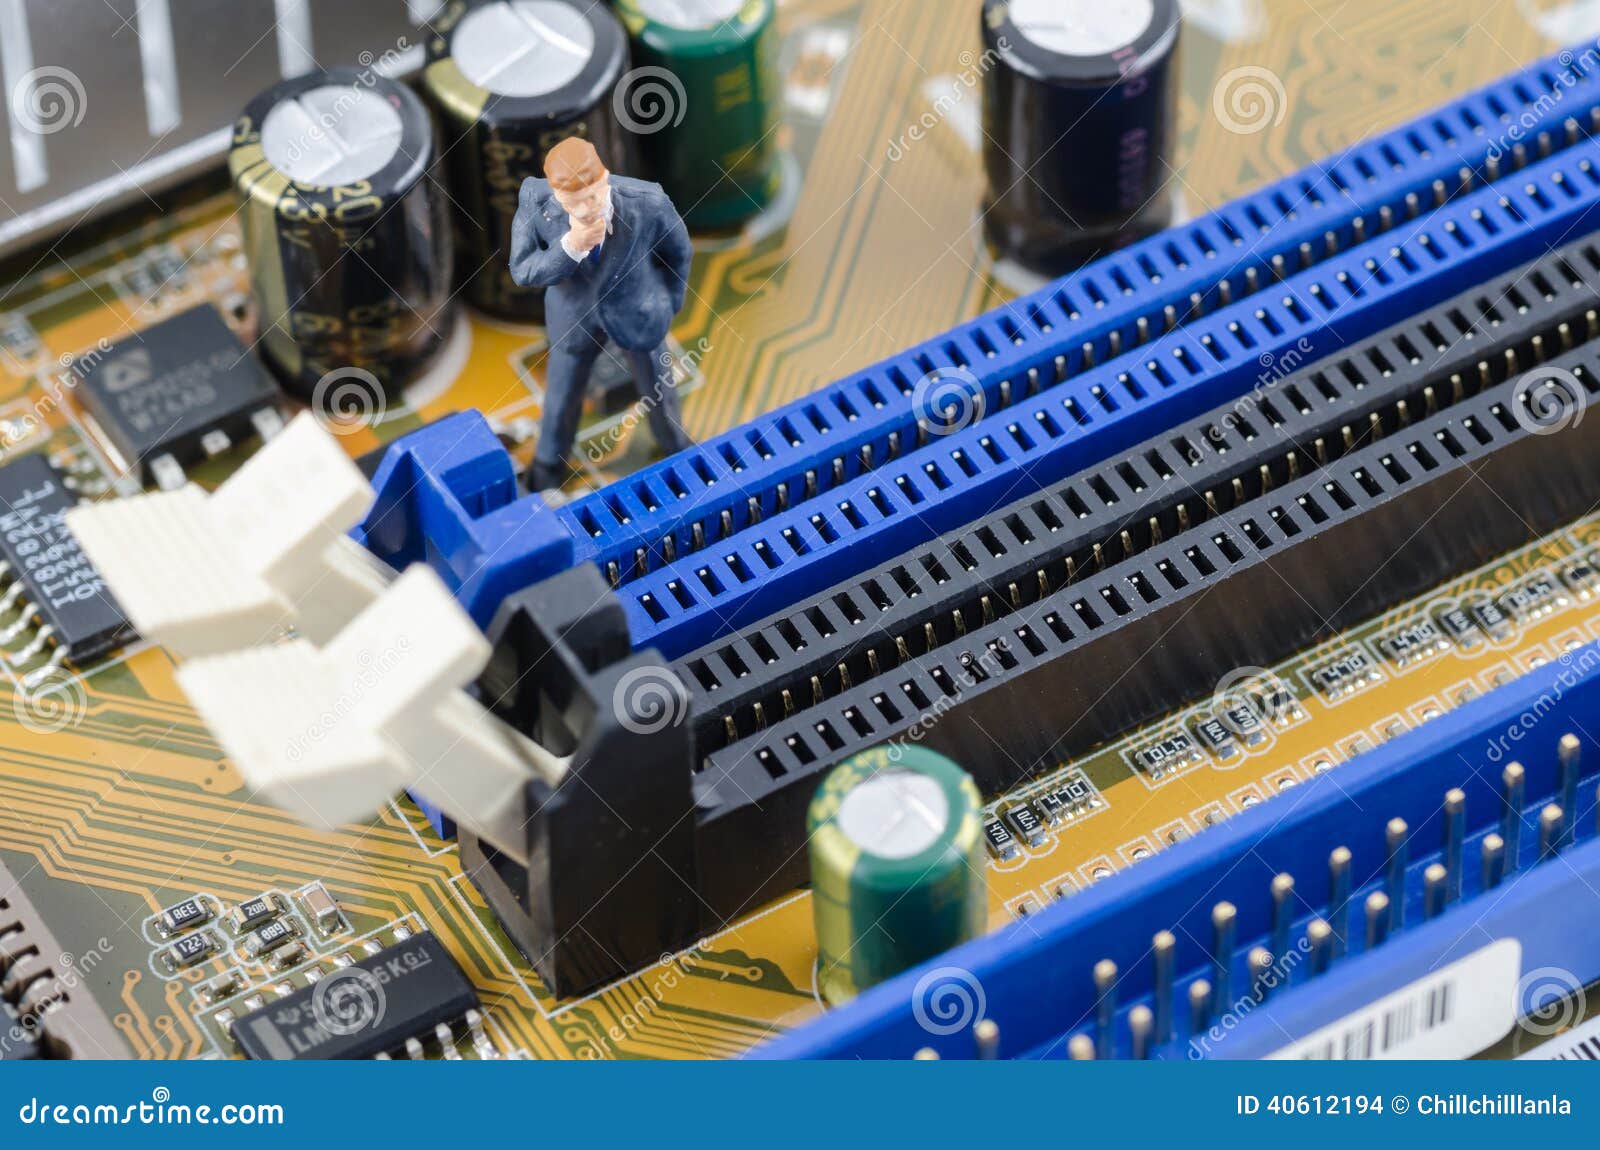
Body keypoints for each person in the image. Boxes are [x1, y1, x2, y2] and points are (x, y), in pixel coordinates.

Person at [508, 137, 694, 493]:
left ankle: (674, 442)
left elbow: (679, 251)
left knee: (658, 383)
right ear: (557, 195)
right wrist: (570, 247)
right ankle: (548, 464)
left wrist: (669, 302)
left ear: (605, 177)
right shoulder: (535, 199)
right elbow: (523, 270)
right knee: (561, 394)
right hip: (573, 319)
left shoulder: (648, 201)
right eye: (574, 203)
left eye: (593, 196)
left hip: (639, 312)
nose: (588, 208)